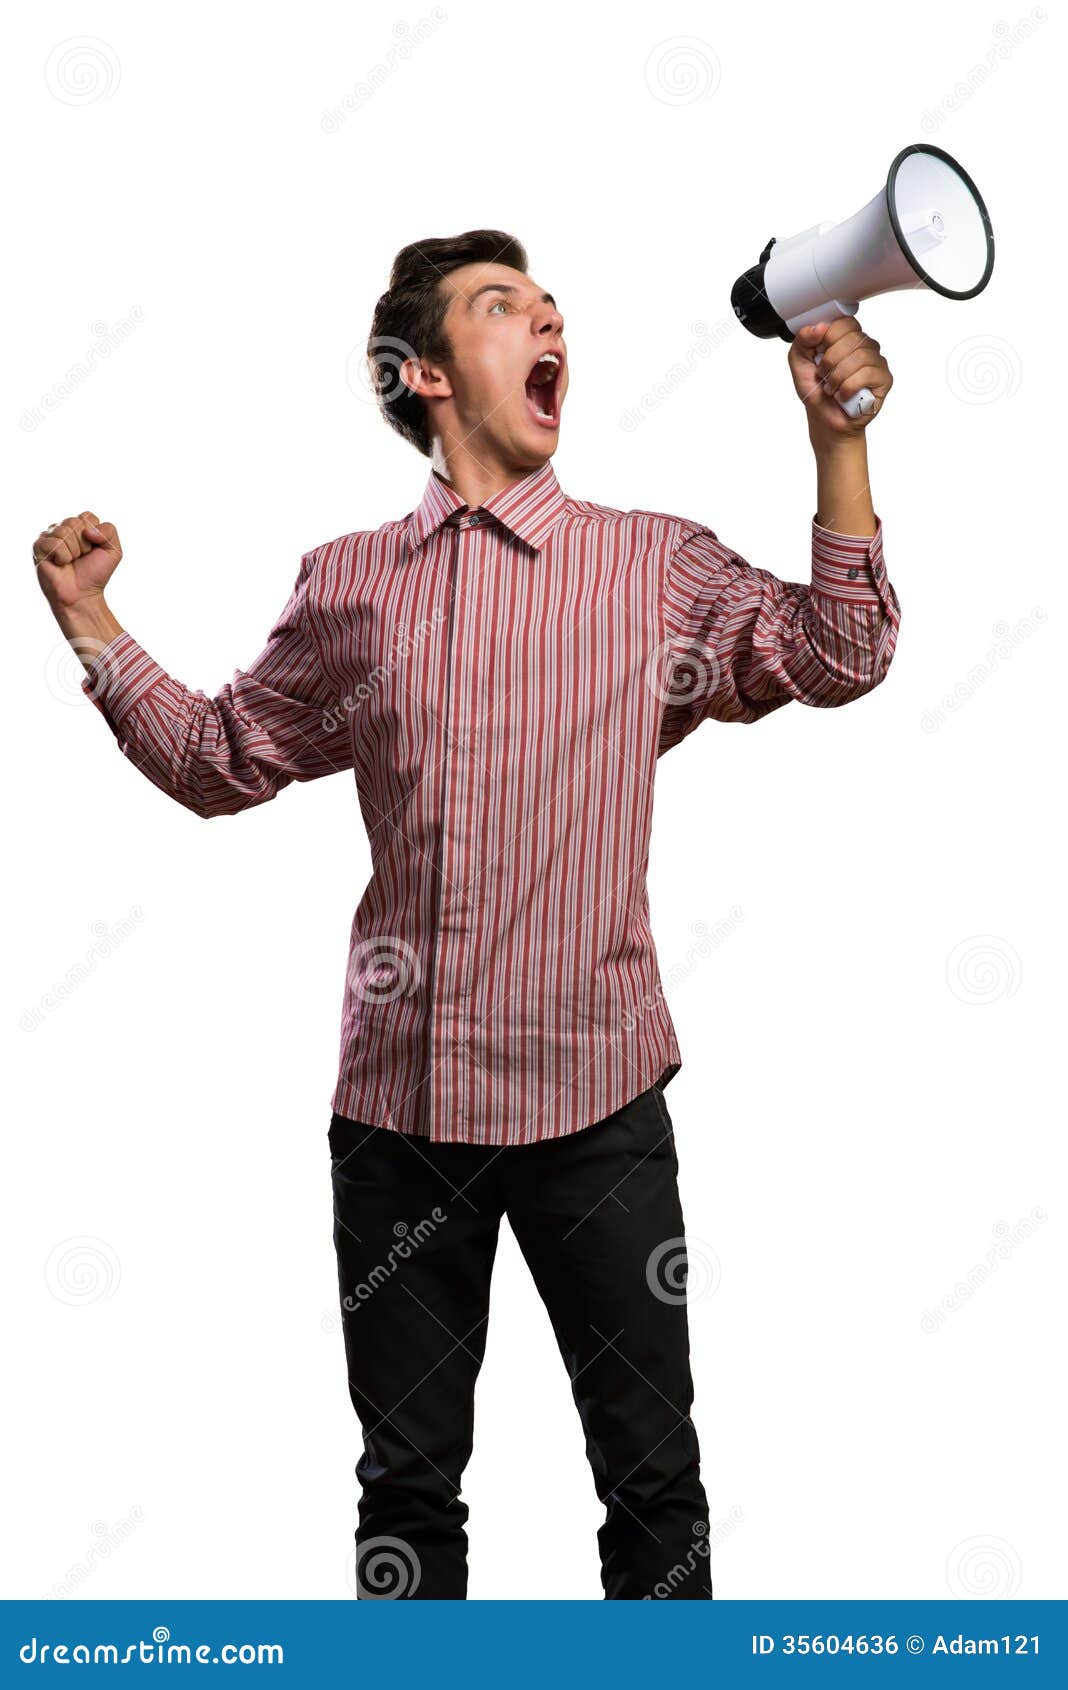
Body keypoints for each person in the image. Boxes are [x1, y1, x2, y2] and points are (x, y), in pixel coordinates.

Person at [34, 229, 900, 1600]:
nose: (549, 319)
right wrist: (91, 619)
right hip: (400, 1122)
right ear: (423, 373)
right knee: (407, 1495)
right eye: (505, 307)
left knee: (653, 1479)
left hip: (599, 1111)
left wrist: (837, 446)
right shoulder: (349, 585)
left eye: (554, 306)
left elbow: (840, 650)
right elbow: (219, 760)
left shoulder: (655, 566)